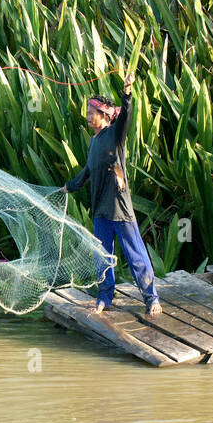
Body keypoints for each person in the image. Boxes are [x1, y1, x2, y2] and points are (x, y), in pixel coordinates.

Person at [59, 72, 162, 316]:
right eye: (87, 112)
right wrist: (69, 186)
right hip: (100, 209)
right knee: (102, 257)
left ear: (104, 116)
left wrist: (127, 94)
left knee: (135, 254)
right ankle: (104, 297)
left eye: (91, 113)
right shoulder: (94, 140)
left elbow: (126, 116)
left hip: (119, 206)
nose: (87, 116)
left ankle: (151, 298)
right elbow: (88, 171)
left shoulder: (115, 135)